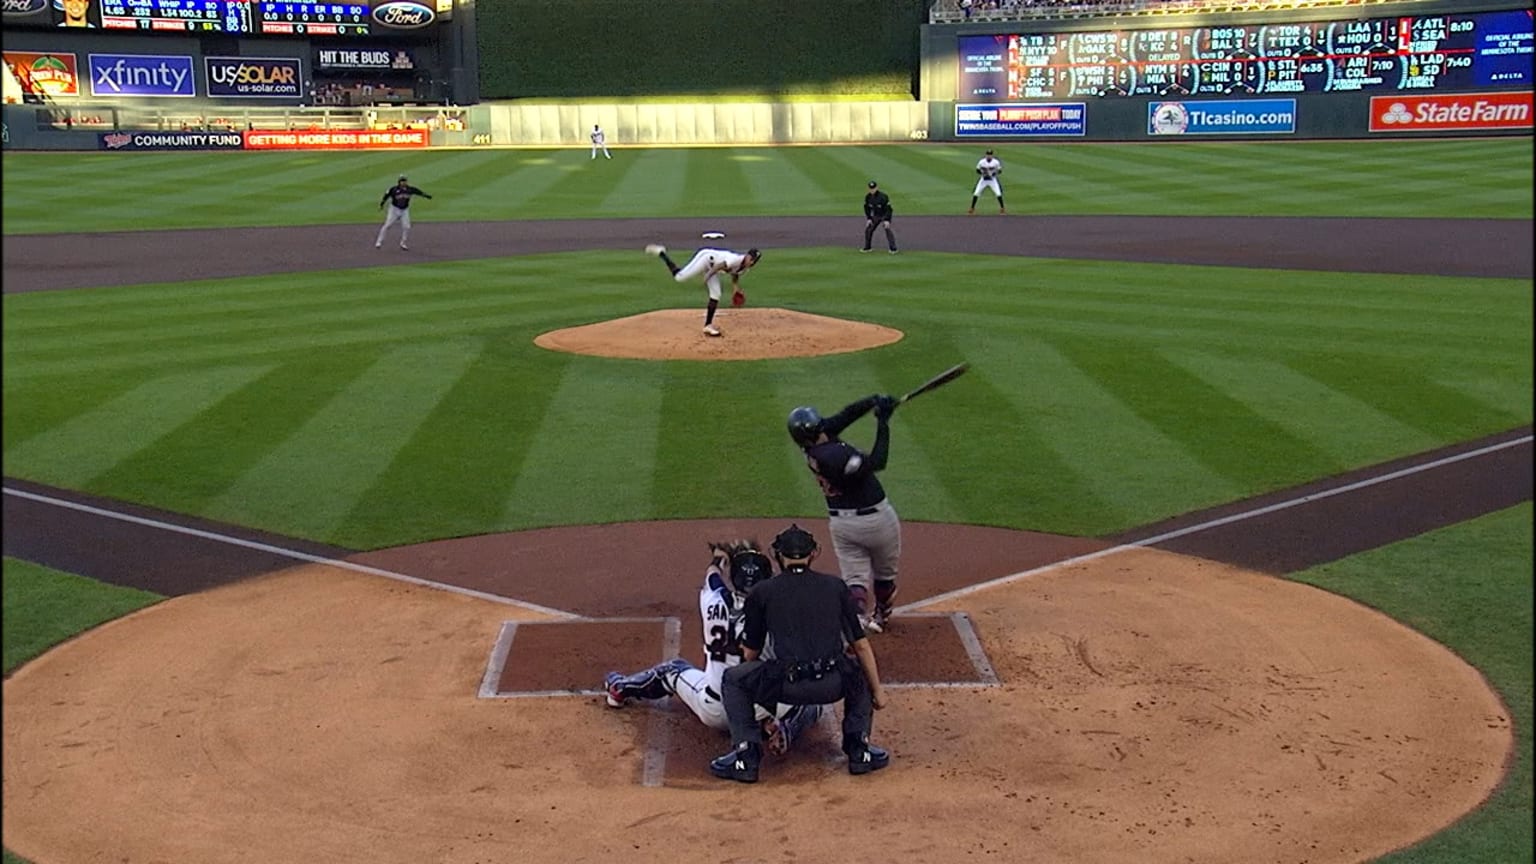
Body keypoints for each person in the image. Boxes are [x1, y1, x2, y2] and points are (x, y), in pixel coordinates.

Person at [603, 540, 822, 756]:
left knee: (673, 669)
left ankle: (620, 688)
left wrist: (719, 557)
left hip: (714, 708)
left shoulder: (712, 599)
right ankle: (785, 728)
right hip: (760, 708)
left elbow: (713, 575)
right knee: (812, 697)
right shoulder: (779, 613)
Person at [710, 523, 889, 783]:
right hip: (831, 685)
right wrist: (878, 691)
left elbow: (751, 652)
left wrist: (758, 687)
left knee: (734, 679)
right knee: (858, 670)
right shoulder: (836, 587)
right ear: (814, 553)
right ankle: (859, 751)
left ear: (777, 555)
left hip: (786, 687)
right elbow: (860, 645)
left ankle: (745, 757)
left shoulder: (763, 592)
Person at [785, 394, 901, 633]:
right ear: (816, 428)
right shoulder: (834, 456)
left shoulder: (812, 447)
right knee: (884, 575)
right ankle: (881, 614)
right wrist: (883, 422)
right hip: (877, 521)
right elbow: (878, 461)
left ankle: (855, 625)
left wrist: (872, 402)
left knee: (854, 581)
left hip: (842, 526)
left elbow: (843, 417)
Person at [643, 242, 762, 338]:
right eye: (751, 259)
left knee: (716, 294)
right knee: (680, 277)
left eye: (754, 261)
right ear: (747, 256)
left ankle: (708, 326)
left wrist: (736, 288)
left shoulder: (745, 267)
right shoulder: (735, 259)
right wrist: (707, 276)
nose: (751, 262)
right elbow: (719, 266)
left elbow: (735, 274)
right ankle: (661, 252)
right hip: (706, 258)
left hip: (712, 267)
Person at [375, 174, 431, 251]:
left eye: (404, 181)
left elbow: (418, 192)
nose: (403, 182)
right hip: (394, 210)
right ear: (399, 182)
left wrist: (426, 196)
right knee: (387, 225)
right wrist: (382, 204)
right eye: (402, 181)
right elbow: (386, 196)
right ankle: (379, 242)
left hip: (404, 210)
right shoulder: (394, 189)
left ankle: (403, 243)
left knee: (407, 226)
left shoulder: (409, 189)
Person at [862, 180, 898, 254]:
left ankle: (893, 248)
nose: (872, 190)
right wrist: (869, 218)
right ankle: (867, 247)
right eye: (871, 188)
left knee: (887, 229)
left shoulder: (883, 196)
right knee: (868, 230)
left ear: (877, 188)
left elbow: (889, 209)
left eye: (873, 188)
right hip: (876, 215)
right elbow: (867, 208)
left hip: (884, 215)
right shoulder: (868, 197)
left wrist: (887, 220)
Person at [969, 148, 1005, 215]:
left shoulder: (996, 162)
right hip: (983, 180)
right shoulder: (981, 162)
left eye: (990, 154)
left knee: (998, 193)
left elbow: (999, 170)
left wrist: (994, 174)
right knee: (976, 193)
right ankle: (972, 209)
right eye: (988, 154)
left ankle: (1002, 208)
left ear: (992, 155)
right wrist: (983, 173)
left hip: (992, 180)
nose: (989, 156)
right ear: (986, 155)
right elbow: (977, 169)